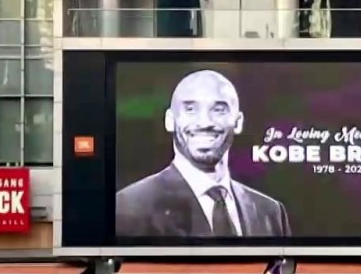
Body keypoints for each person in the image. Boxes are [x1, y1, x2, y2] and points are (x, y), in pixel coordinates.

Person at [114, 69, 291, 238]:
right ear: (170, 121)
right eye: (190, 109)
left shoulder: (270, 211)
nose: (205, 122)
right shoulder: (129, 206)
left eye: (218, 109)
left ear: (238, 122)